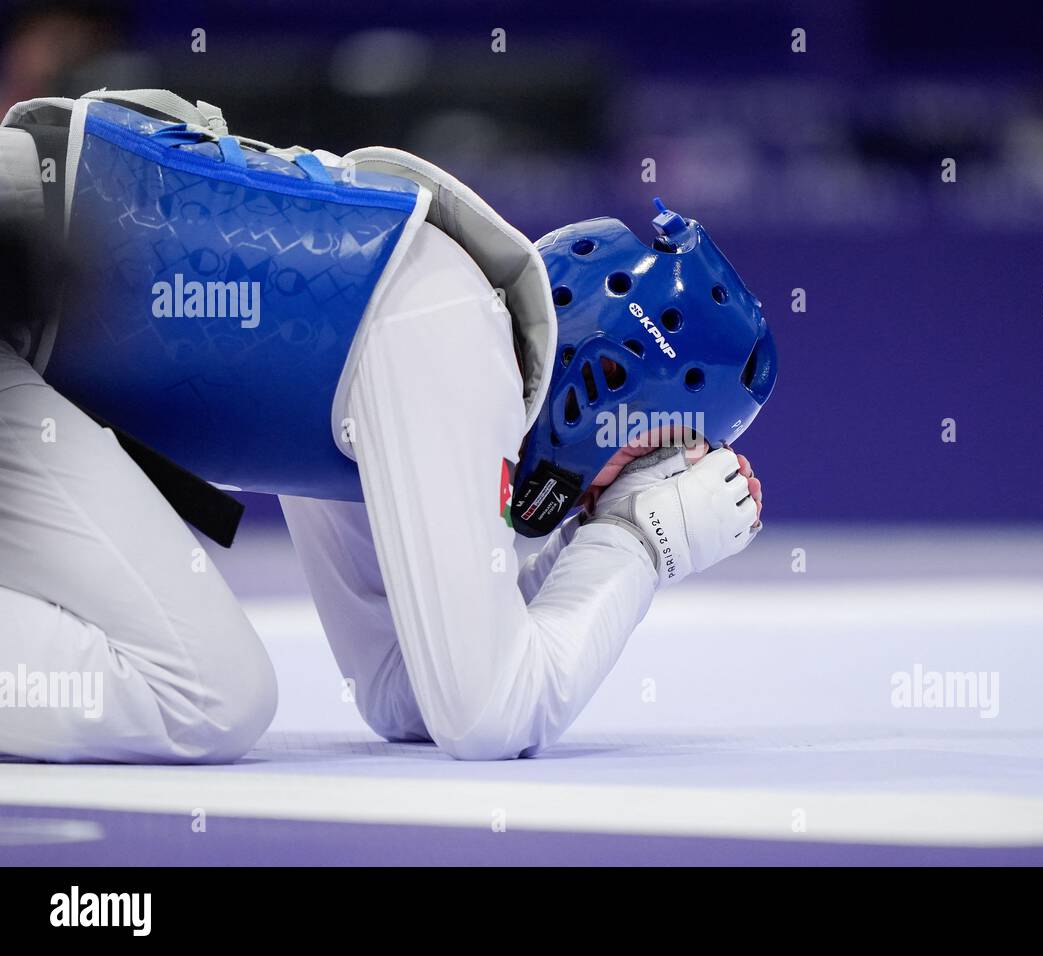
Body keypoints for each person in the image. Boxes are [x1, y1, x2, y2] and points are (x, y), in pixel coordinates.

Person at [0, 89, 776, 763]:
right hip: (16, 286)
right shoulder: (449, 339)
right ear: (611, 397)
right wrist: (640, 543)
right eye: (657, 457)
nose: (614, 492)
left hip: (22, 300)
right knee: (204, 695)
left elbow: (404, 687)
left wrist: (598, 536)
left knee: (212, 690)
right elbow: (487, 717)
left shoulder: (421, 327)